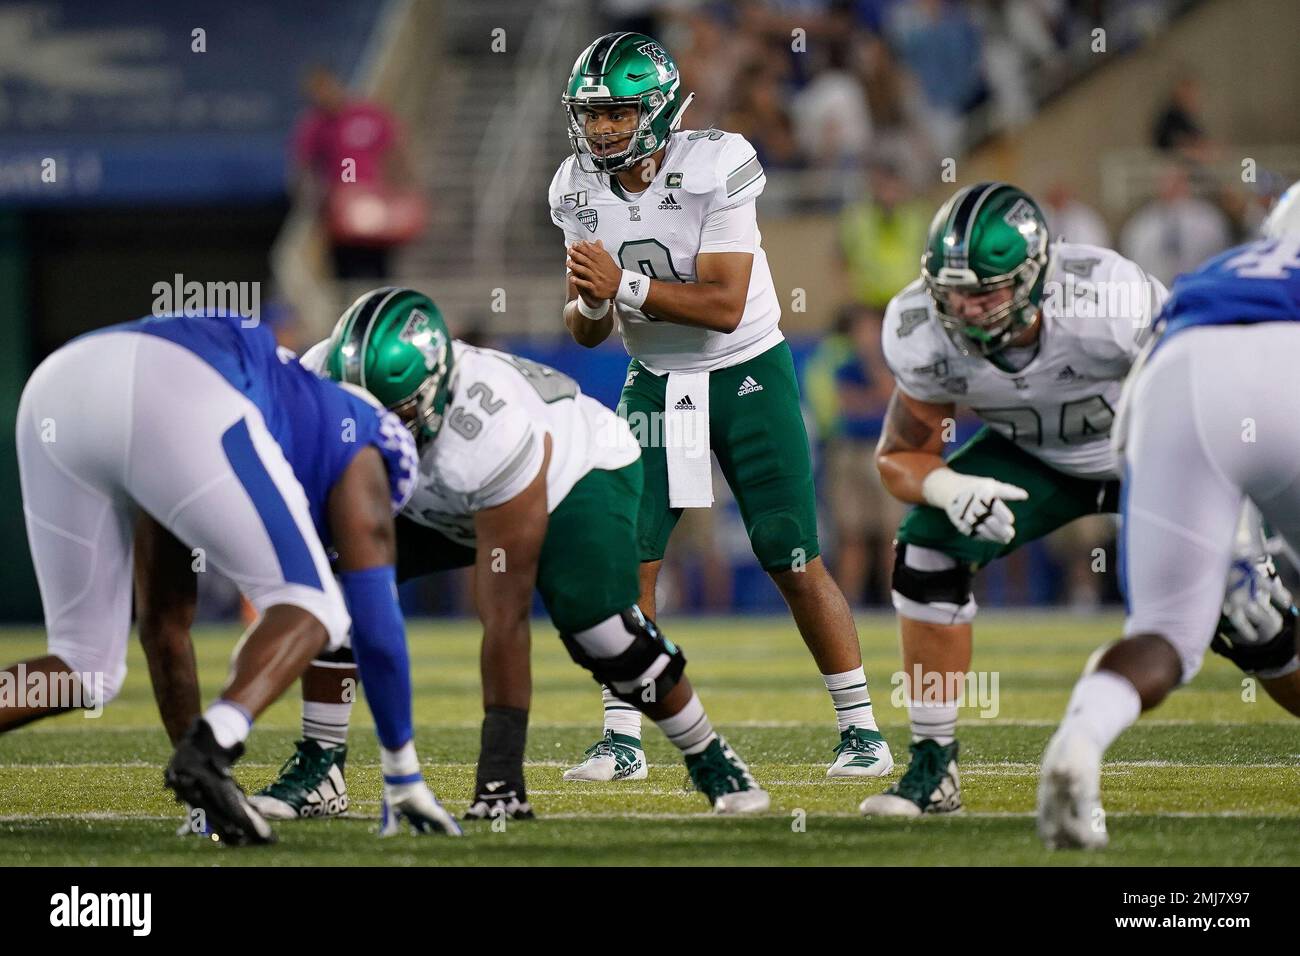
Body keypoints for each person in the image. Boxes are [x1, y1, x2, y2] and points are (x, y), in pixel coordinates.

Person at [253, 288, 770, 817]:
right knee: (330, 584)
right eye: (360, 415)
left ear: (434, 389)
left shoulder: (489, 433)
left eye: (395, 413)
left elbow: (505, 618)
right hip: (438, 494)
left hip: (573, 474)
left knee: (600, 629)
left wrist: (500, 773)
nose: (378, 433)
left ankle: (709, 753)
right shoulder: (316, 380)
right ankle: (321, 769)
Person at [550, 31, 893, 781]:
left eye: (617, 113)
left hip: (744, 373)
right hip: (652, 378)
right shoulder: (574, 187)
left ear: (659, 109)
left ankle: (863, 730)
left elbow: (726, 306)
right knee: (626, 561)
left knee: (792, 556)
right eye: (593, 114)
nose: (601, 128)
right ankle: (623, 740)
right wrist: (588, 302)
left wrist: (624, 287)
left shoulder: (716, 162)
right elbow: (584, 329)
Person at [1, 311, 459, 844]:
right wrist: (402, 772)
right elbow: (374, 627)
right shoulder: (366, 445)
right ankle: (220, 738)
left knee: (85, 665)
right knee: (316, 607)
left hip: (60, 385)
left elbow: (163, 625)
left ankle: (207, 761)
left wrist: (201, 794)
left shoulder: (283, 410)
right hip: (178, 383)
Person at [861, 181, 1167, 817]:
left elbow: (1197, 388)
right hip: (1034, 460)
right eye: (952, 293)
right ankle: (933, 765)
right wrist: (950, 486)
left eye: (984, 292)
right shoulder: (922, 327)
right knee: (925, 552)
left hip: (1148, 451)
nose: (966, 310)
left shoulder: (1107, 298)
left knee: (1245, 619)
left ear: (1034, 275)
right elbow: (898, 456)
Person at [1038, 183, 1300, 849]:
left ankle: (1079, 742)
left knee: (1164, 635)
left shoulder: (1229, 267)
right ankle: (1262, 594)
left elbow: (1140, 396)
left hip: (1174, 379)